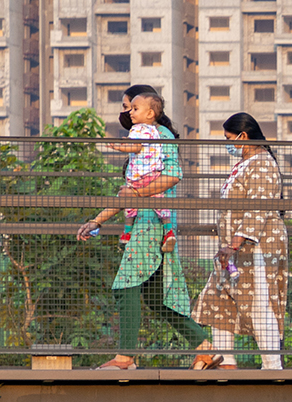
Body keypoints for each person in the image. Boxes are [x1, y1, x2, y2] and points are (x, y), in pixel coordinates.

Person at [77, 86, 214, 370]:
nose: (126, 112)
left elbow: (173, 176)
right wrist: (98, 220)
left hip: (153, 224)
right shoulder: (137, 138)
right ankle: (204, 347)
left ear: (148, 111)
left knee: (125, 285)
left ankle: (125, 358)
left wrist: (137, 197)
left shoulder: (158, 136)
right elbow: (128, 191)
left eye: (130, 106)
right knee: (155, 297)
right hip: (143, 221)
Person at [193, 112, 288, 370]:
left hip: (257, 246)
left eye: (229, 138)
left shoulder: (263, 163)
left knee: (259, 302)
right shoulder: (245, 164)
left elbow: (259, 207)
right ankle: (225, 361)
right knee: (218, 297)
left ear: (243, 137)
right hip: (233, 249)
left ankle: (272, 366)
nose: (228, 144)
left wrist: (234, 243)